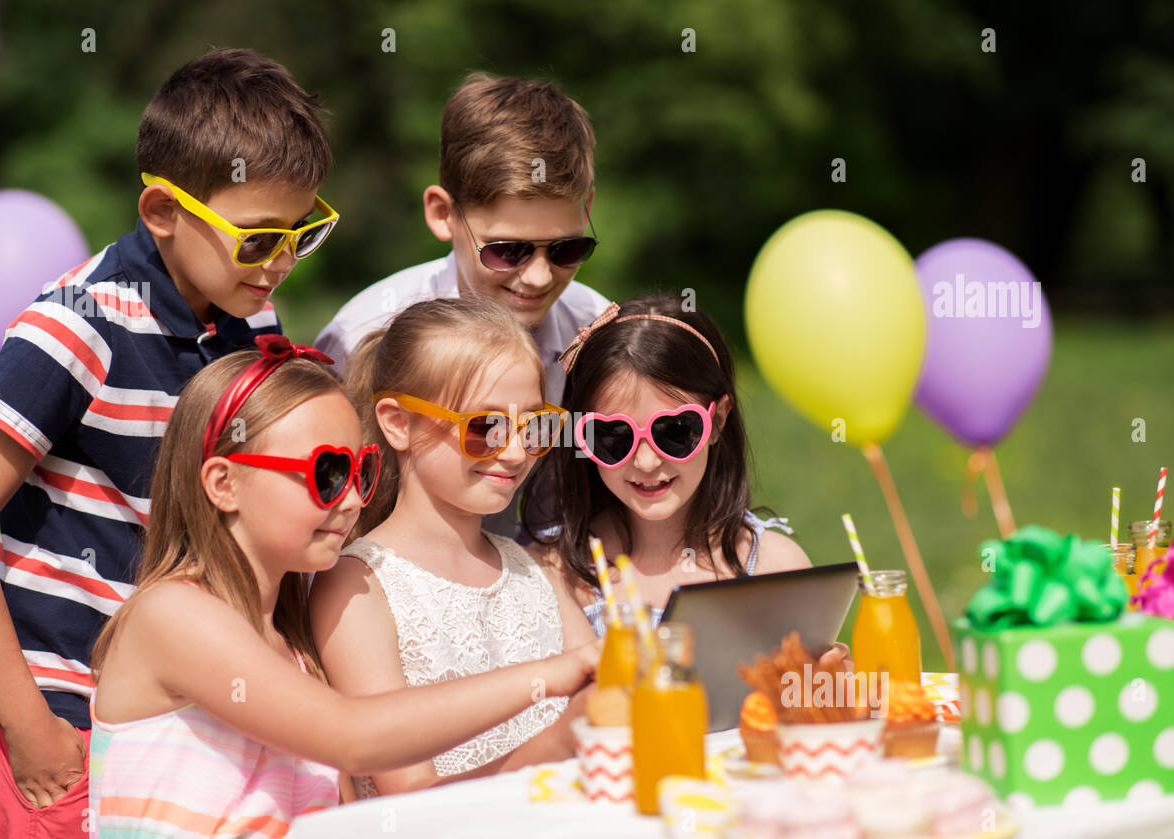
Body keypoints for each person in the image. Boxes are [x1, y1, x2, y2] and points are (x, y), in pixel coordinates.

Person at [0, 48, 339, 839]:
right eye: (258, 241)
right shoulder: (75, 327)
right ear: (162, 210)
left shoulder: (245, 317)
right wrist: (27, 720)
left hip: (173, 718)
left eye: (303, 233)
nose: (281, 262)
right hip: (62, 719)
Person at [88, 339, 595, 839]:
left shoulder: (295, 652)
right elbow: (353, 735)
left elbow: (356, 828)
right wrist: (554, 677)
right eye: (328, 473)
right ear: (224, 483)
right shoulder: (173, 613)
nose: (354, 498)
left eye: (362, 472)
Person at [311, 297, 598, 797]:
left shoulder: (534, 573)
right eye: (484, 428)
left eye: (533, 426)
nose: (514, 452)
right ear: (399, 423)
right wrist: (558, 745)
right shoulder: (357, 586)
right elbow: (409, 791)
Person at [523, 291, 846, 668]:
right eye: (612, 437)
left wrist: (824, 686)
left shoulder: (775, 569)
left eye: (674, 431)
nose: (645, 461)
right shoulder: (553, 571)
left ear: (719, 421)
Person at [315, 72, 608, 406]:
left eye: (566, 249)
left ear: (587, 212)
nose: (539, 276)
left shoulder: (600, 335)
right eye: (509, 251)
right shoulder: (359, 338)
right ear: (442, 214)